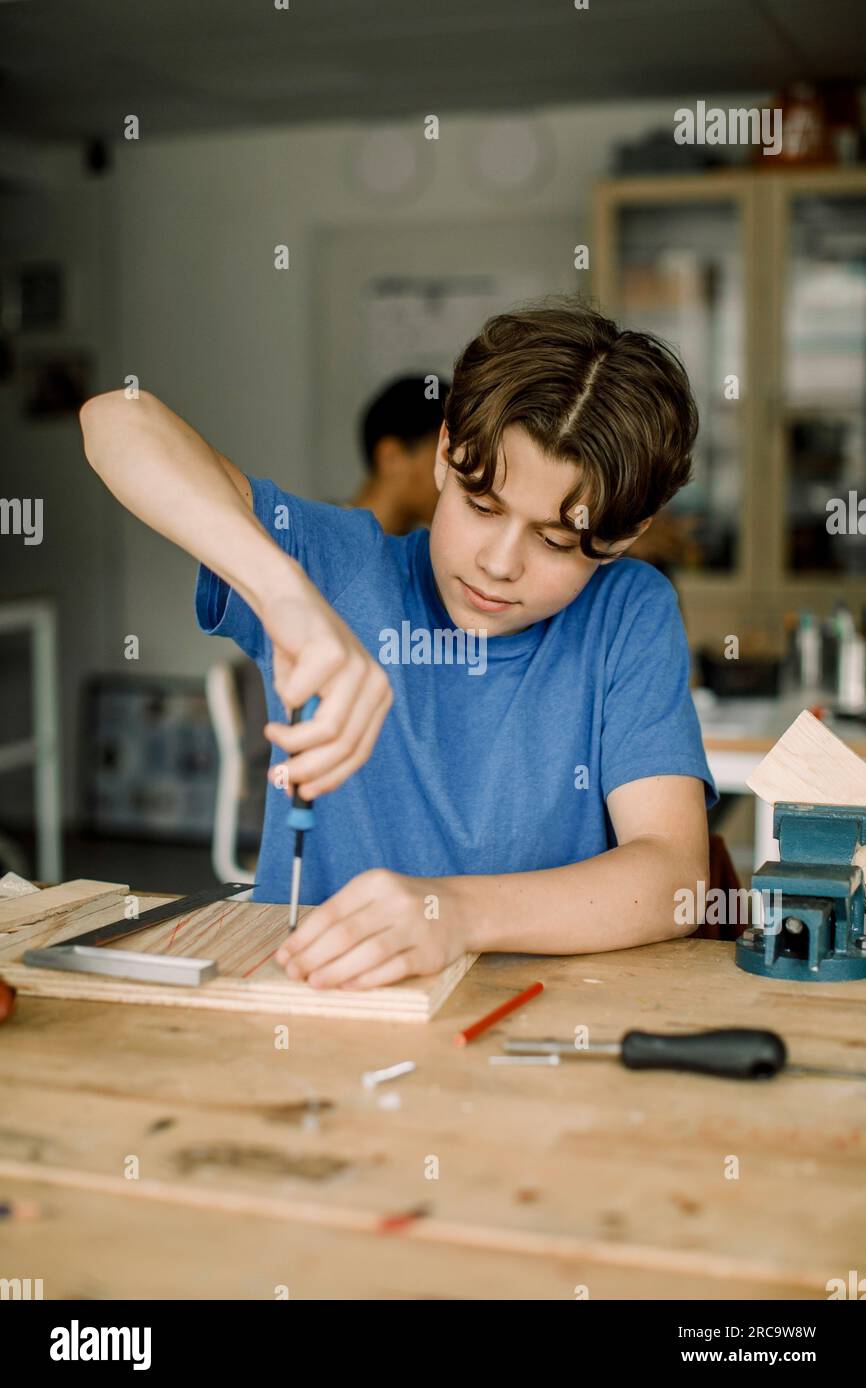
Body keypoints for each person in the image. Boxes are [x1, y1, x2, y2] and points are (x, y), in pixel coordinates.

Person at [79, 295, 717, 991]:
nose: (499, 562)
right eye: (481, 506)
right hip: (319, 1011)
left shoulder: (629, 613)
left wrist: (456, 914)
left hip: (535, 1027)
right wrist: (283, 592)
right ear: (445, 453)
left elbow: (674, 876)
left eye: (556, 541)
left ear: (625, 535)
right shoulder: (339, 567)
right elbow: (117, 419)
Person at [349, 375, 450, 534]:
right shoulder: (310, 542)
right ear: (391, 457)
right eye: (447, 456)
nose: (458, 477)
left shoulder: (430, 554)